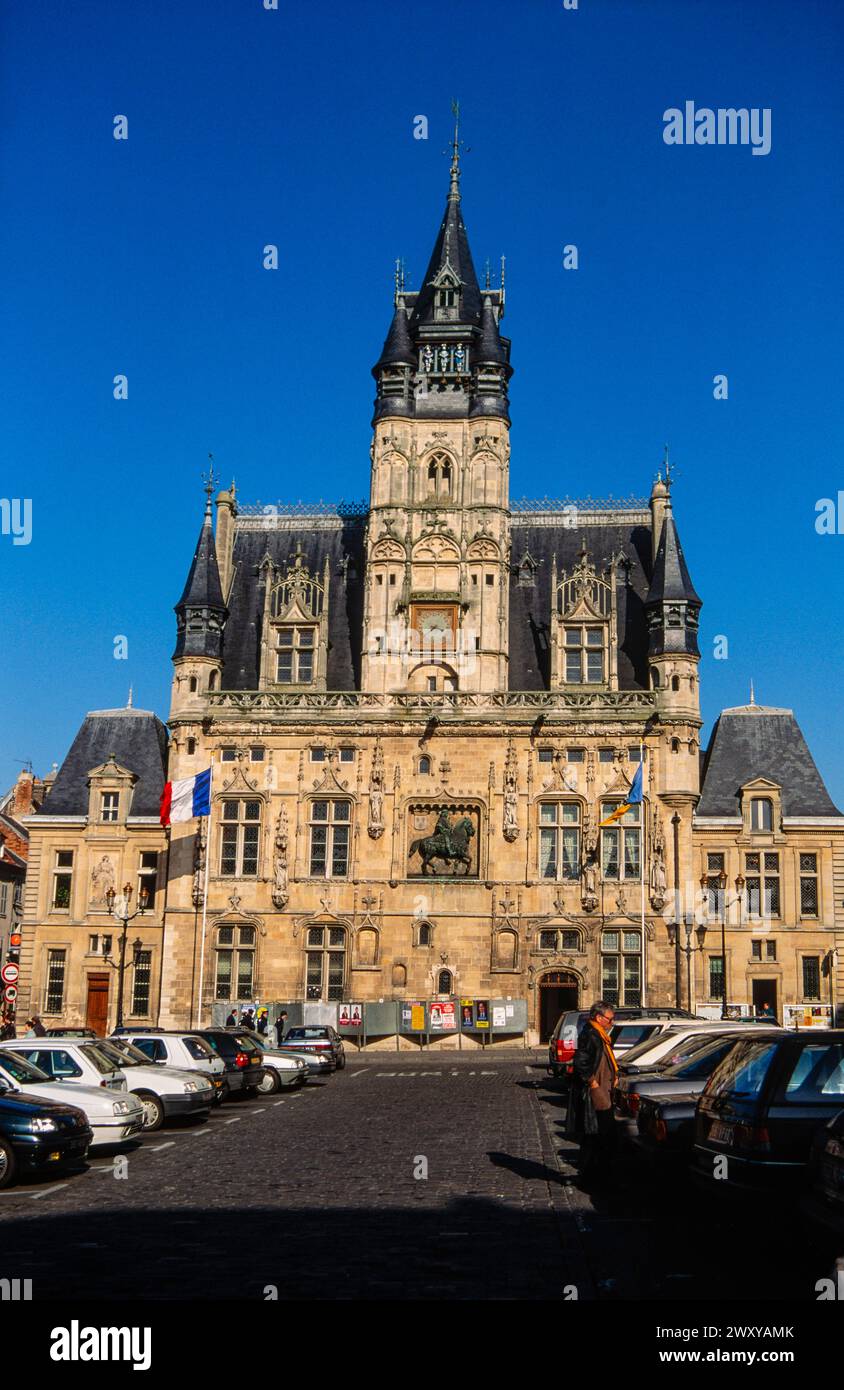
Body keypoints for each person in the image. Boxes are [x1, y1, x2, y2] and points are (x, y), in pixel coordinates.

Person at [564, 1000, 619, 1185]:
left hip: (603, 1088)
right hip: (597, 1091)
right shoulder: (591, 1034)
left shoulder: (599, 1034)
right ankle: (592, 1175)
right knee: (598, 1133)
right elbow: (581, 1063)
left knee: (596, 1135)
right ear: (599, 1017)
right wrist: (593, 1083)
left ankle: (593, 1174)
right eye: (610, 1019)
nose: (612, 1022)